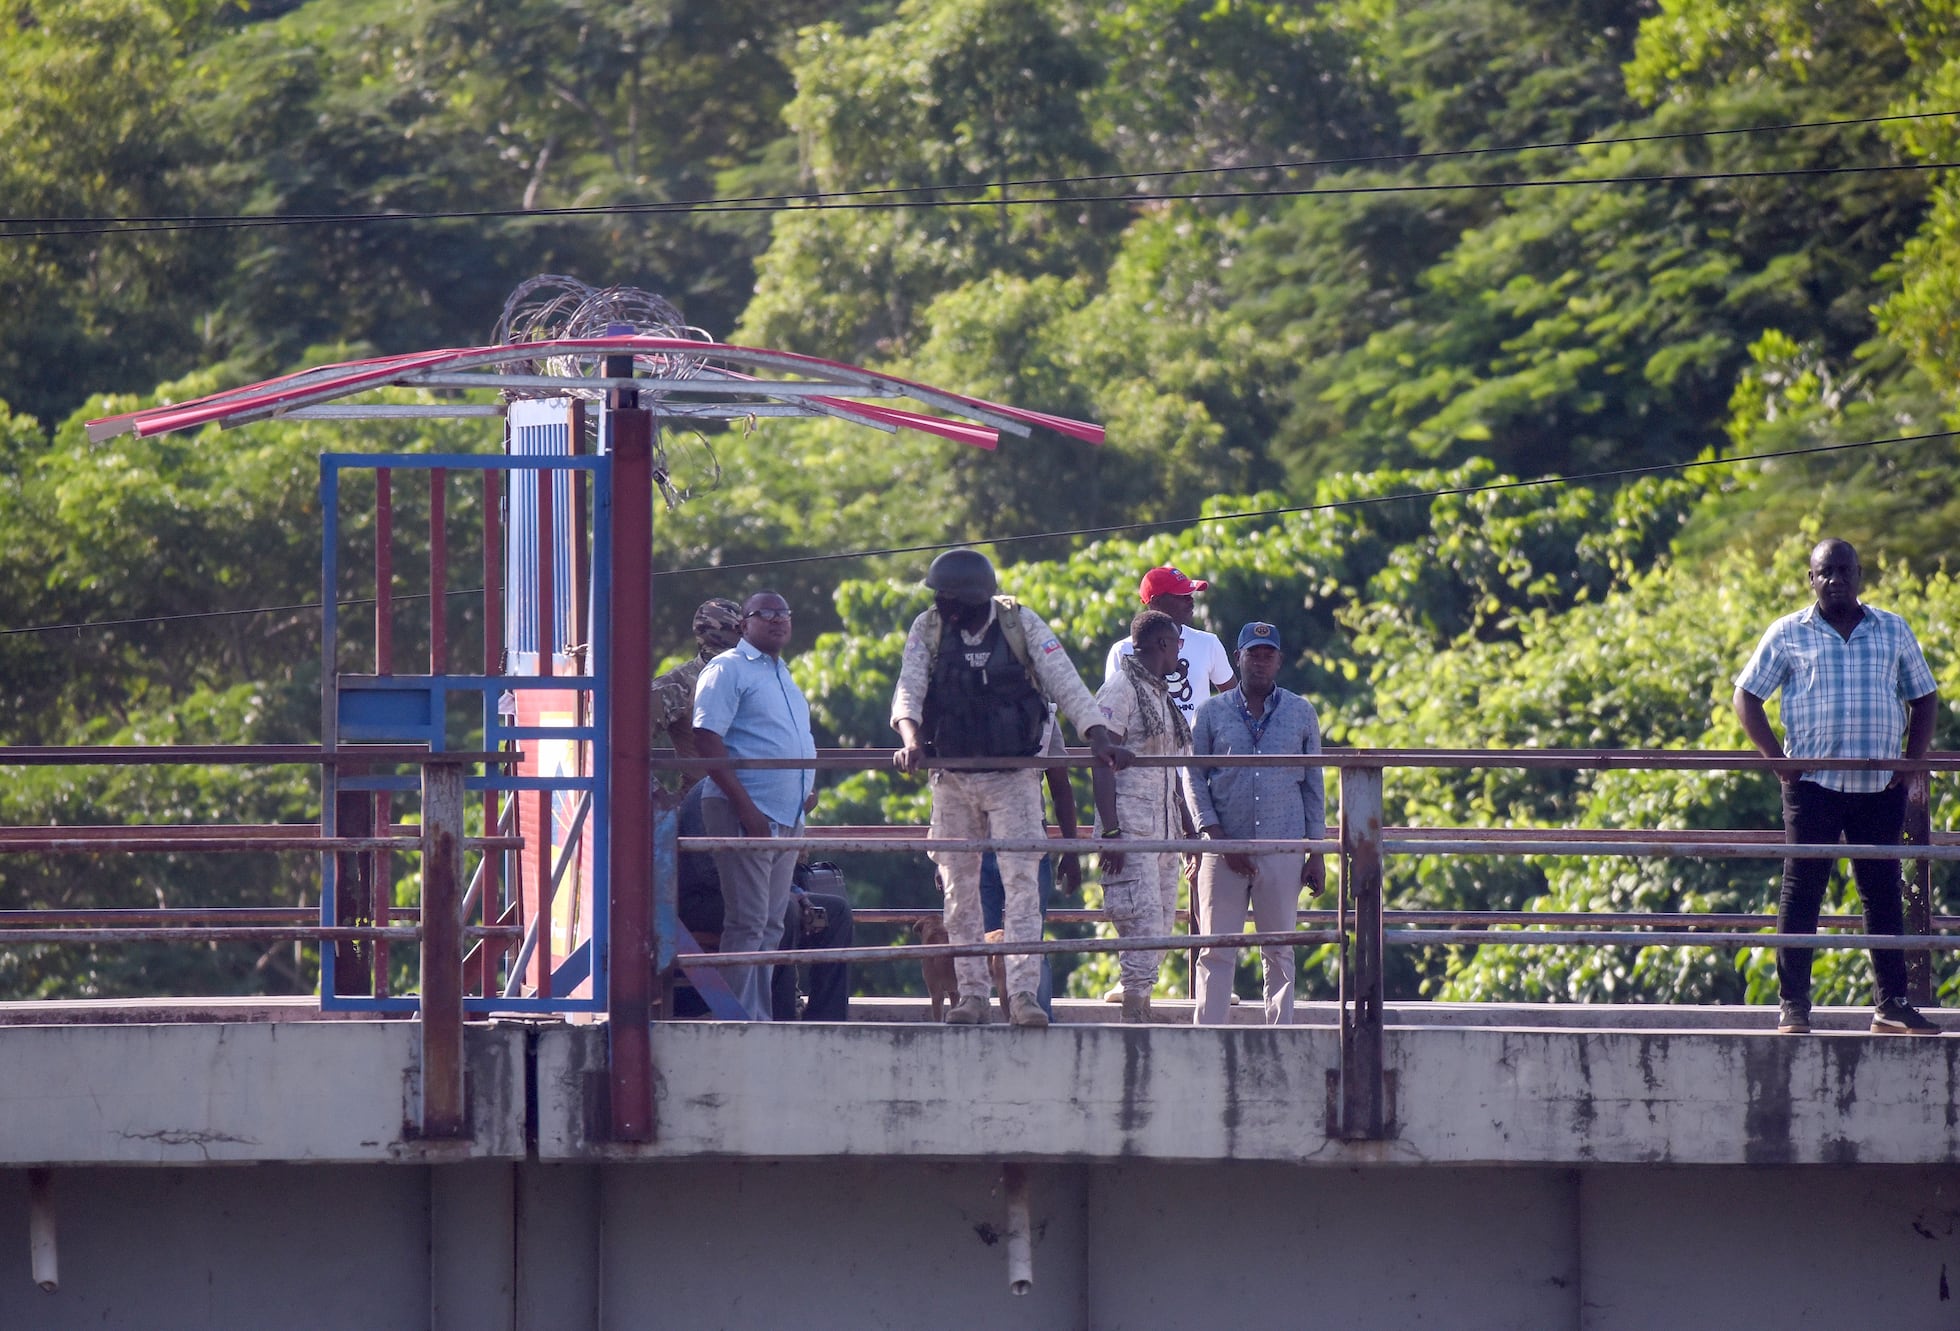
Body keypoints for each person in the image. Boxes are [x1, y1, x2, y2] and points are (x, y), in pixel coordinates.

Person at [891, 549, 1129, 1028]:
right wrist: (911, 738)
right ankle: (972, 996)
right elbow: (909, 687)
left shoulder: (1019, 623)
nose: (940, 603)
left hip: (1015, 778)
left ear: (970, 598)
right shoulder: (929, 628)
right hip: (953, 779)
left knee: (1022, 889)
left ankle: (1021, 995)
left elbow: (1064, 680)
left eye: (947, 596)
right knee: (959, 892)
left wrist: (1097, 735)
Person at [1733, 538, 1943, 1036]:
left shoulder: (1892, 629)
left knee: (1882, 892)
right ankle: (1794, 1006)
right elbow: (1746, 697)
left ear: (1860, 575)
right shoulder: (1787, 634)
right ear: (1811, 579)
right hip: (1814, 785)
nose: (1836, 579)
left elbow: (1925, 697)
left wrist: (1912, 762)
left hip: (1879, 783)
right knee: (1802, 892)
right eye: (1825, 572)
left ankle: (1891, 1005)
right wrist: (1778, 762)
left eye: (1845, 570)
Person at [1183, 621, 1326, 1026]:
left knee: (1279, 947)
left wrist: (1317, 851)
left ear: (1279, 661)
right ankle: (1207, 1036)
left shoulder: (1301, 712)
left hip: (1282, 847)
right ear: (1238, 658)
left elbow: (1313, 784)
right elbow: (1192, 775)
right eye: (1253, 654)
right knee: (1215, 947)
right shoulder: (1211, 713)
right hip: (1222, 846)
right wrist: (1214, 833)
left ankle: (1280, 1034)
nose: (1260, 662)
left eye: (1268, 655)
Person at [692, 591, 819, 1021]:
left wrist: (805, 788)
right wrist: (745, 808)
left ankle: (757, 1018)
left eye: (784, 613)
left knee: (771, 924)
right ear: (743, 625)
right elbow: (706, 738)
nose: (777, 620)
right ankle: (735, 1018)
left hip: (785, 815)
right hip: (744, 810)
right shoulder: (727, 669)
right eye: (765, 614)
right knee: (747, 923)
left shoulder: (782, 674)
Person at [672, 781, 853, 1021]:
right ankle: (781, 1021)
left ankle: (828, 1022)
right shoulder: (708, 796)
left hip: (760, 893)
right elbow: (710, 871)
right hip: (704, 901)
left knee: (837, 912)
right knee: (781, 911)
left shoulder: (769, 797)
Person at [1092, 610, 1193, 1023]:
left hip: (1164, 828)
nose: (1180, 652)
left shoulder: (1159, 694)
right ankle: (1135, 1013)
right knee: (1140, 920)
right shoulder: (1121, 688)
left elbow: (1170, 768)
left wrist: (1188, 826)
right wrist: (1111, 832)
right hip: (1131, 830)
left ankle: (1142, 1005)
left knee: (1160, 924)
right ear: (1163, 645)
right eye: (1177, 644)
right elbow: (1100, 759)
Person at [977, 709, 1083, 1018]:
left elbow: (1060, 785)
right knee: (977, 941)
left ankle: (1037, 1018)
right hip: (980, 842)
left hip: (1024, 842)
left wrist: (1071, 848)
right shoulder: (969, 703)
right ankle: (985, 1023)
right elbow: (949, 782)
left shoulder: (1044, 714)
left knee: (1027, 940)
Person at [1103, 566, 1236, 730]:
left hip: (1197, 753)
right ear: (1156, 603)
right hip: (1144, 753)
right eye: (1182, 596)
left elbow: (1234, 702)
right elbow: (1113, 712)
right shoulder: (1122, 651)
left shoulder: (1208, 643)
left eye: (1190, 594)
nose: (1191, 600)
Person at [650, 597, 745, 790]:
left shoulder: (754, 677)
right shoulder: (678, 684)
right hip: (703, 805)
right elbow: (624, 743)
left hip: (760, 799)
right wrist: (659, 799)